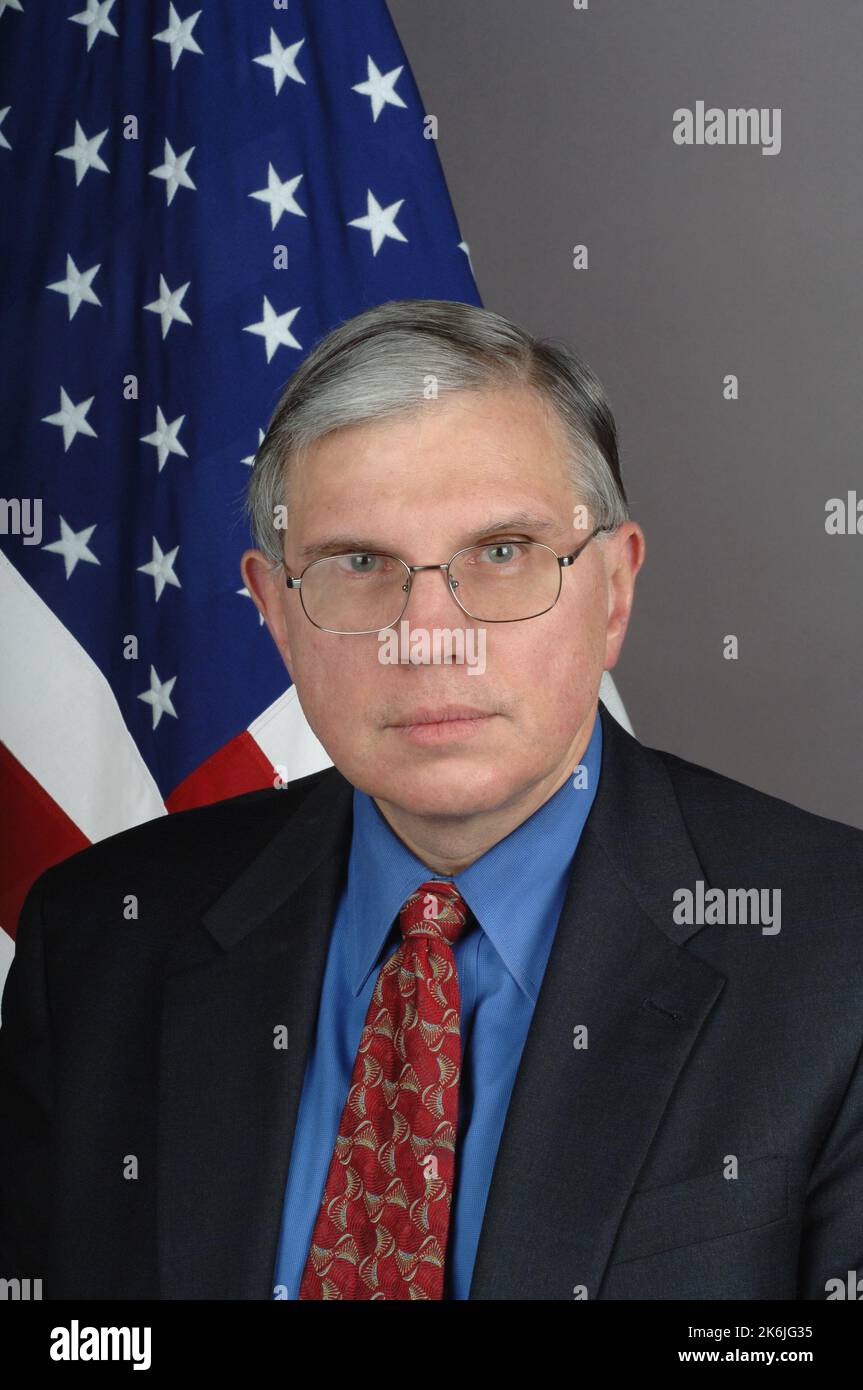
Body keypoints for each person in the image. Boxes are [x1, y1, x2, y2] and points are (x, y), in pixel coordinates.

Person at [1, 299, 861, 1300]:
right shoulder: (101, 939)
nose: (426, 636)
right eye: (358, 565)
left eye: (500, 553)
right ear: (277, 614)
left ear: (613, 591)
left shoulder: (832, 959)